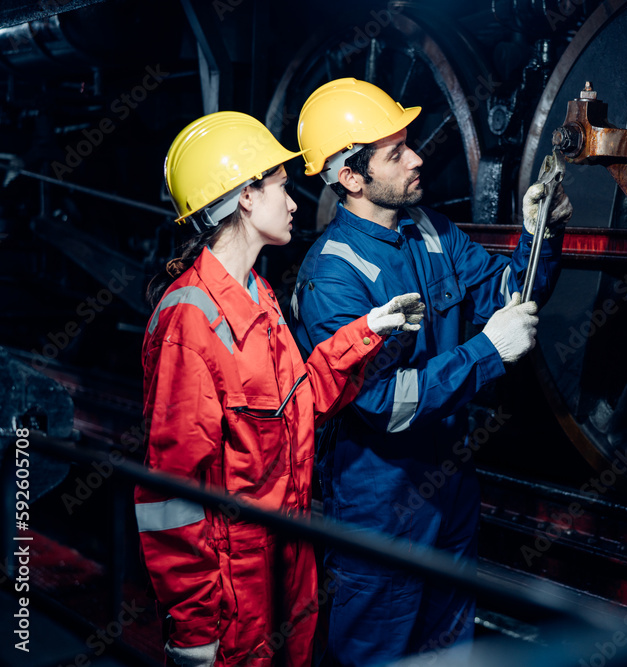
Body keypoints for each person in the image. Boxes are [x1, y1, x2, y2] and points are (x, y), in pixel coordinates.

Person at [290, 78, 572, 665]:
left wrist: (540, 233)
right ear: (351, 177)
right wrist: (486, 352)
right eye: (395, 153)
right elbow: (383, 405)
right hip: (380, 506)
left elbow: (506, 296)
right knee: (378, 653)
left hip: (448, 490)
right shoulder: (332, 277)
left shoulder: (431, 231)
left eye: (408, 143)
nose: (418, 157)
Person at [135, 111, 425, 667]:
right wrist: (194, 629)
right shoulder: (190, 322)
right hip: (233, 589)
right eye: (280, 187)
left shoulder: (258, 295)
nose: (293, 203)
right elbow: (170, 496)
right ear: (246, 196)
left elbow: (303, 400)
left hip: (286, 562)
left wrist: (368, 331)